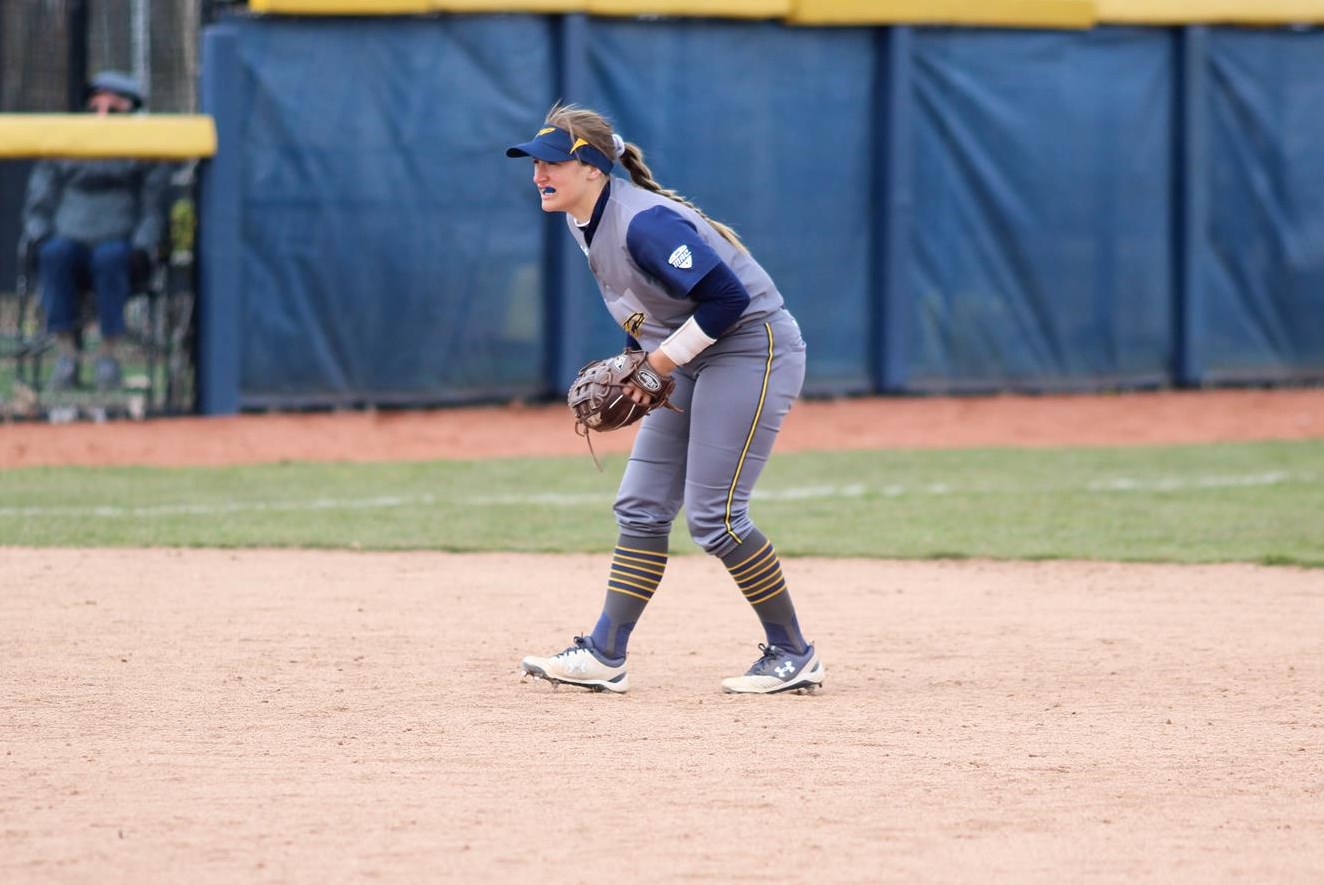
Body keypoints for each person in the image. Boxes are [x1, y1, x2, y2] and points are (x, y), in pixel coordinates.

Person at [508, 104, 824, 695]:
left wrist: (654, 364)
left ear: (593, 169)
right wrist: (637, 357)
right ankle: (604, 654)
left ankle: (793, 652)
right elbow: (646, 303)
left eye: (552, 162)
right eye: (535, 163)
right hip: (694, 353)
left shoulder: (643, 222)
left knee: (716, 517)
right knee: (641, 507)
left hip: (751, 349)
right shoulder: (583, 220)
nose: (539, 175)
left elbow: (727, 302)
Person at [20, 70, 169, 391]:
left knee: (110, 257)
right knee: (54, 253)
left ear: (130, 110)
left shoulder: (145, 147)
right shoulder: (67, 142)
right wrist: (37, 234)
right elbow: (40, 200)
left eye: (113, 110)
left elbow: (152, 207)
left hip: (120, 250)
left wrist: (144, 246)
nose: (102, 116)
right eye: (95, 108)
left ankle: (108, 358)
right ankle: (66, 357)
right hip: (70, 243)